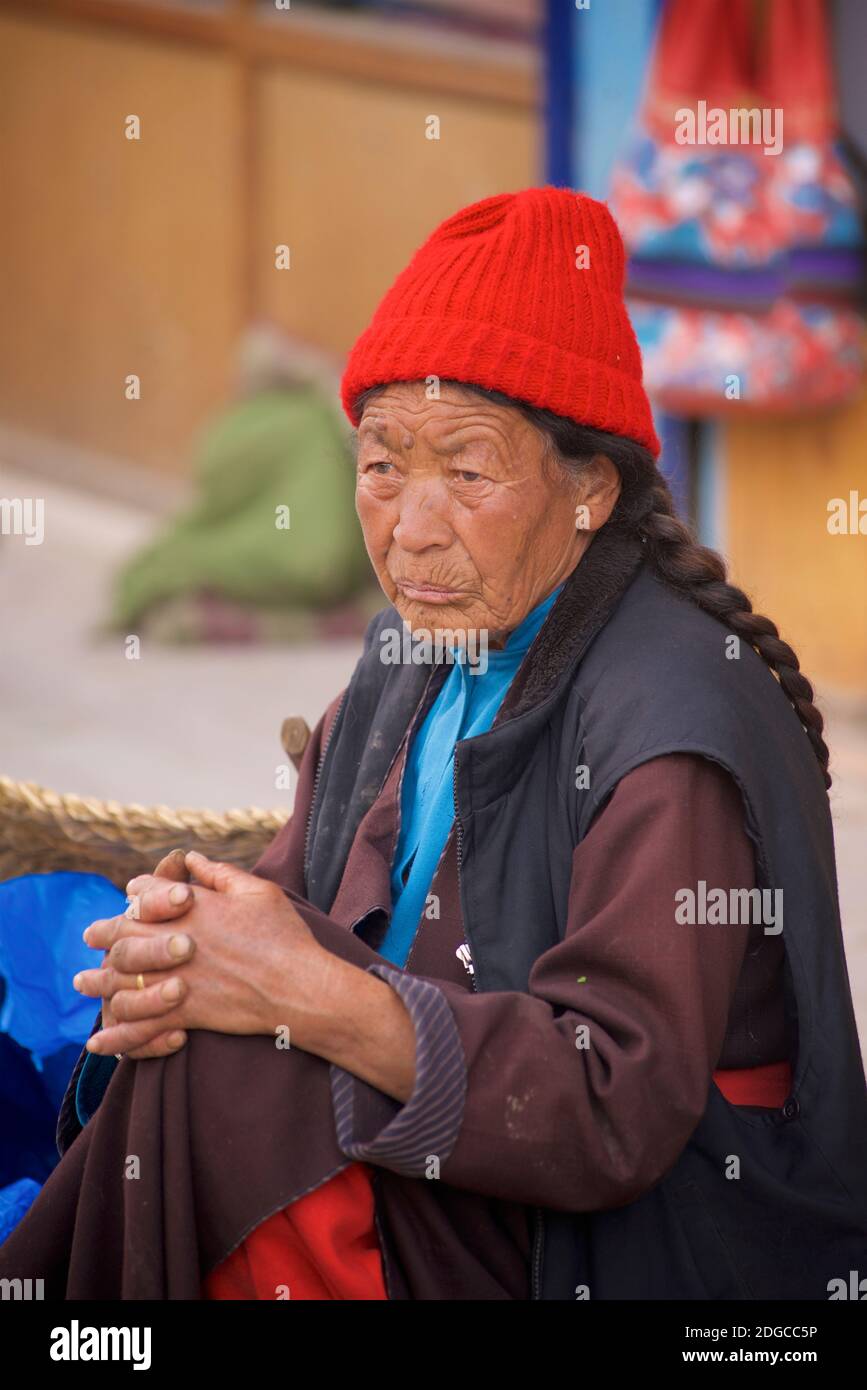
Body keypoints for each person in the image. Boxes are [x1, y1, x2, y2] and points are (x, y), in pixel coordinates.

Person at [2, 187, 865, 1300]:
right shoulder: (416, 651)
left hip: (646, 1236)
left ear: (589, 487)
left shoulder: (670, 731)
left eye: (466, 469)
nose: (411, 526)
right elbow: (291, 901)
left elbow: (615, 1113)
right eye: (380, 465)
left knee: (232, 1075)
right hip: (449, 1161)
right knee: (185, 1035)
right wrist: (184, 950)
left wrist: (306, 996)